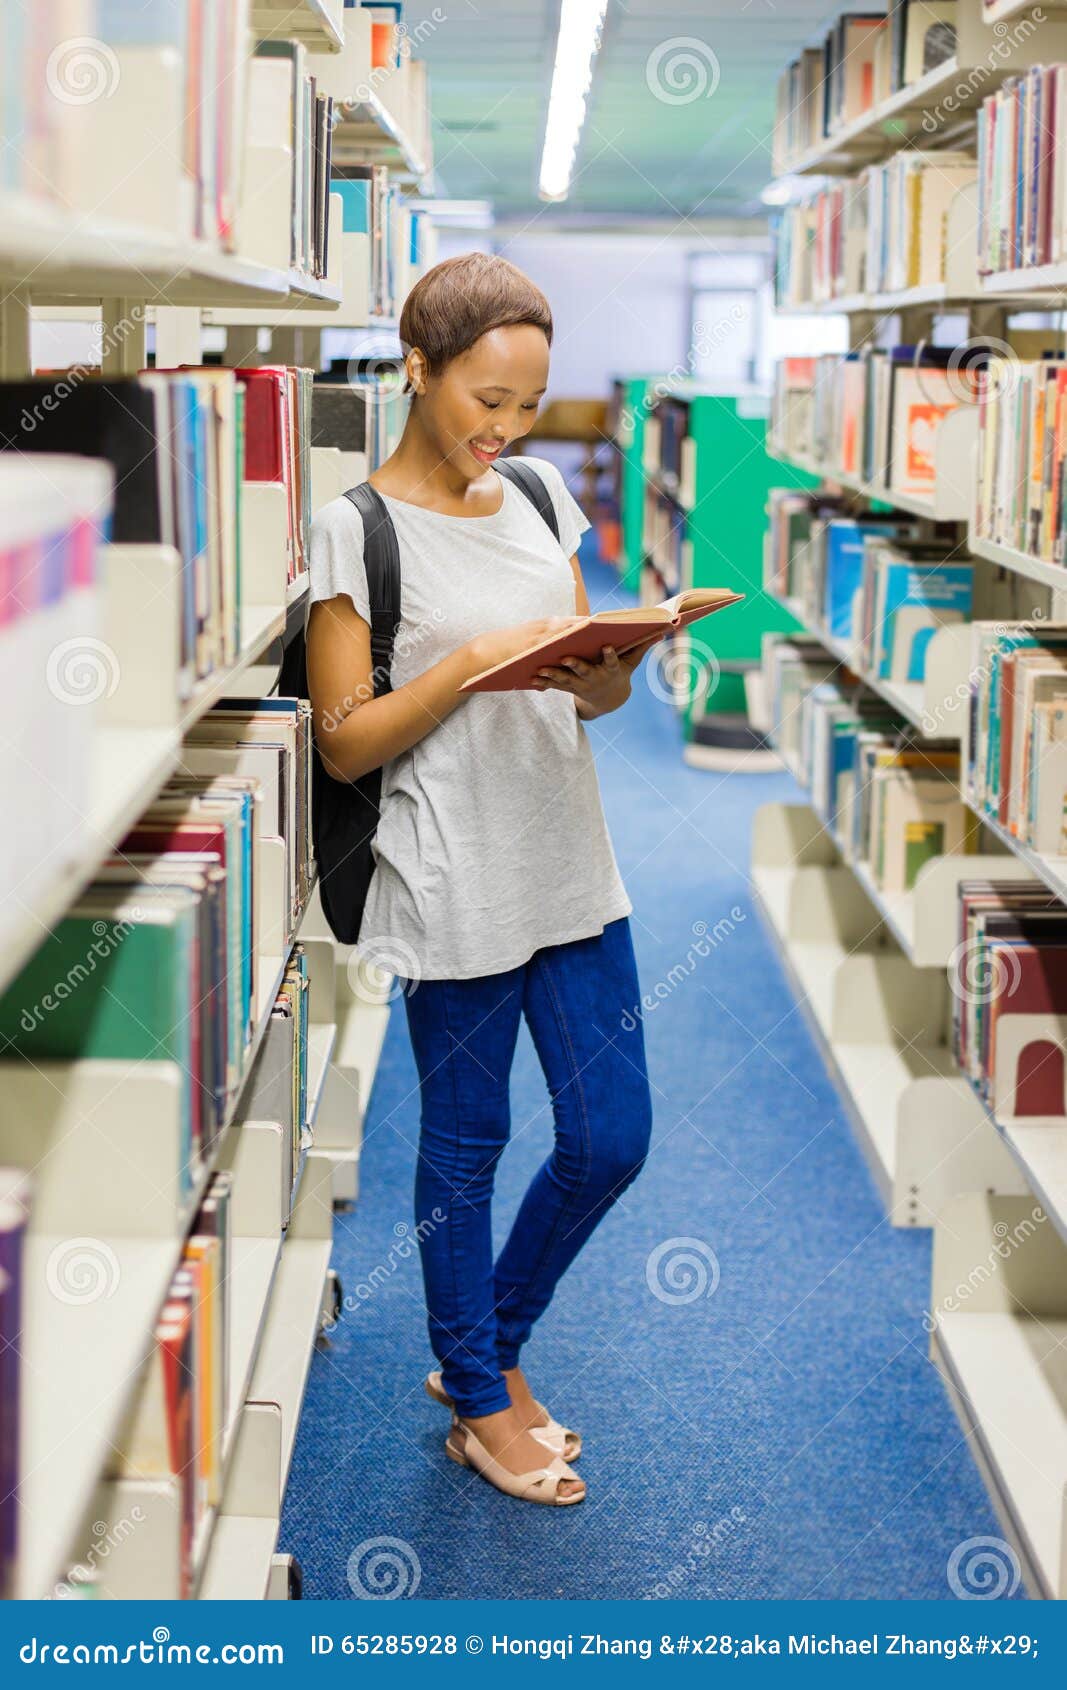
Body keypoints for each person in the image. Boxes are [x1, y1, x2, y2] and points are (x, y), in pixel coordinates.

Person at [306, 252, 655, 1506]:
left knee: (612, 1137)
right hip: (449, 875)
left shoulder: (541, 493)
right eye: (483, 402)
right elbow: (343, 734)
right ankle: (474, 1382)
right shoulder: (356, 528)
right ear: (416, 369)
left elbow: (580, 683)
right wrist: (472, 662)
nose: (504, 432)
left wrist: (609, 673)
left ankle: (485, 1358)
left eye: (525, 405)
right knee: (468, 1146)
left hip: (569, 858)